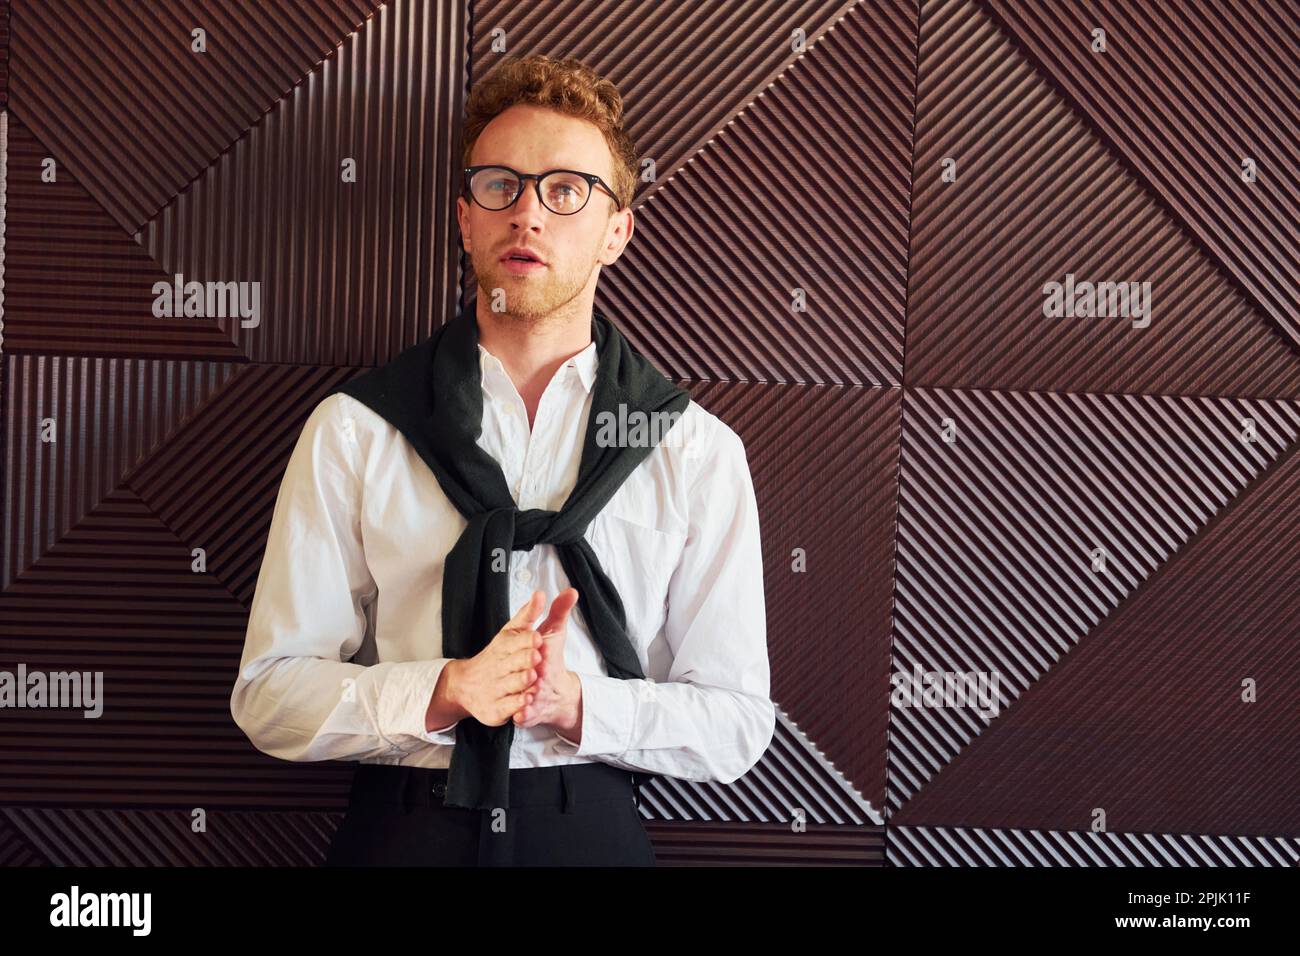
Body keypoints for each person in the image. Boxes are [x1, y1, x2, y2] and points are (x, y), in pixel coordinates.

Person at [229, 53, 774, 866]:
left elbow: (735, 725)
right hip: (402, 829)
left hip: (590, 829)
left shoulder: (692, 451)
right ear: (466, 219)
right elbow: (269, 697)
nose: (528, 214)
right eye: (500, 185)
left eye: (565, 190)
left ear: (616, 231)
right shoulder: (355, 429)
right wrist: (443, 691)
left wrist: (579, 705)